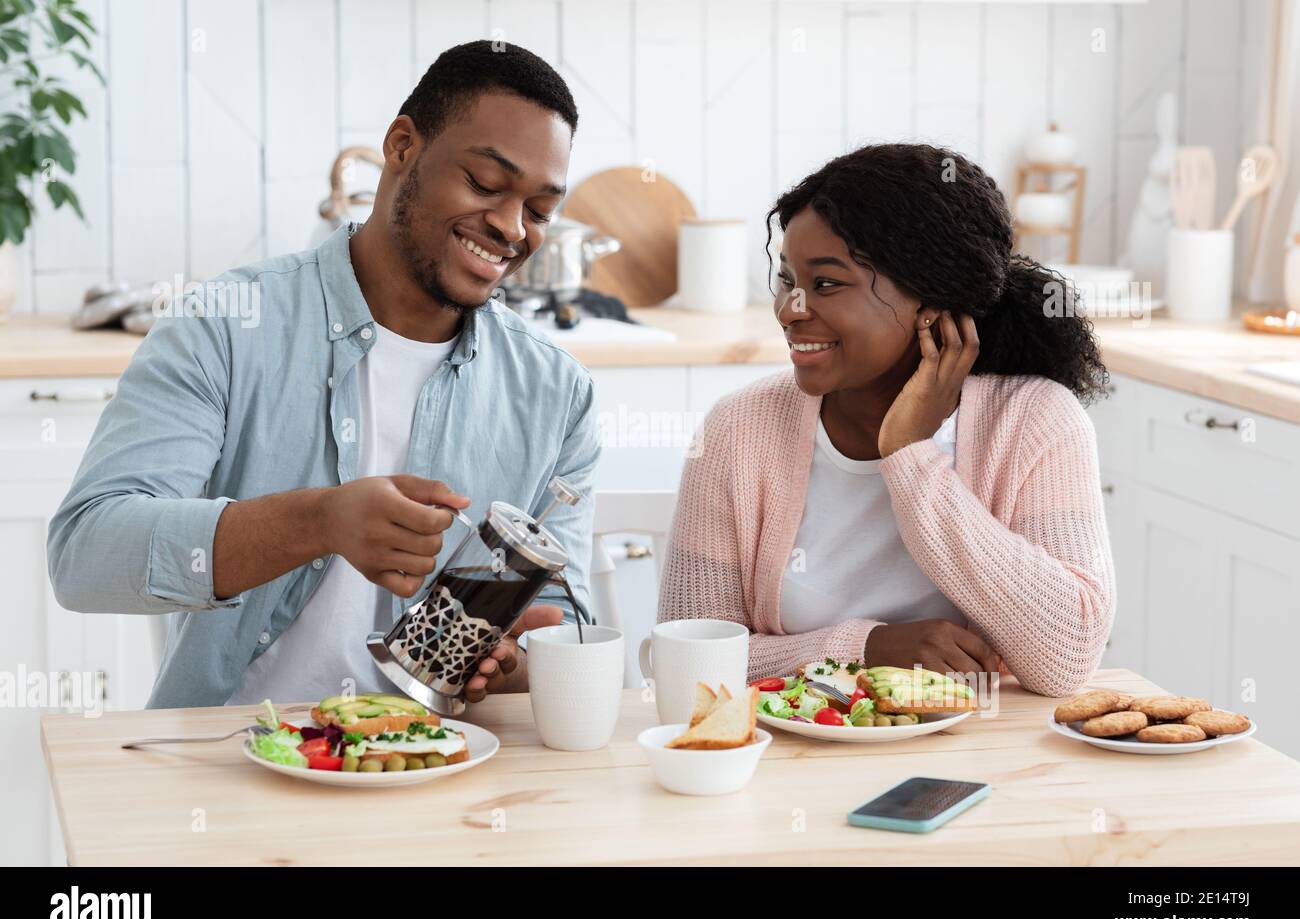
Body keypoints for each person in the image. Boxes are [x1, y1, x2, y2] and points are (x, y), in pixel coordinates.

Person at [47, 41, 599, 708]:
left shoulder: (557, 395)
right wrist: (317, 522)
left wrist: (511, 660)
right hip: (229, 768)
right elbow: (85, 556)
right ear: (402, 147)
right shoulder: (224, 324)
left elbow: (565, 625)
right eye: (484, 185)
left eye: (539, 211)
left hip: (440, 771)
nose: (513, 228)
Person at [658, 144, 1114, 697]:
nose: (790, 309)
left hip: (982, 760)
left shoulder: (1035, 422)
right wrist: (864, 651)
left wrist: (910, 455)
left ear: (931, 303)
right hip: (781, 767)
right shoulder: (737, 429)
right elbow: (687, 662)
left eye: (826, 284)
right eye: (786, 279)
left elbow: (1067, 659)